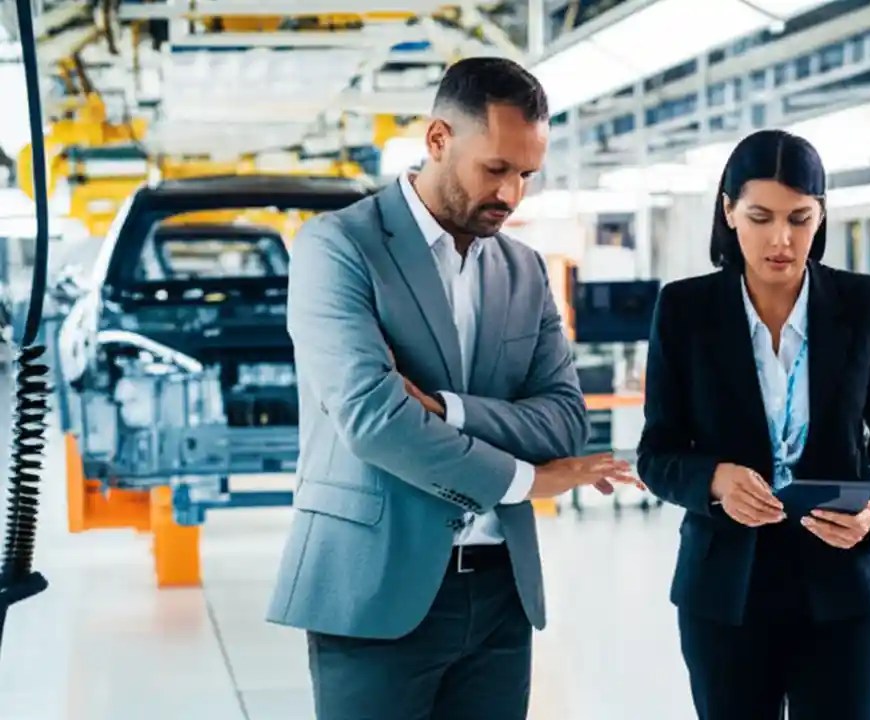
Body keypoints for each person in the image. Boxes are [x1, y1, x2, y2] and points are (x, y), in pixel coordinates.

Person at [266, 57, 636, 720]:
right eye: (496, 169)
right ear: (438, 139)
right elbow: (375, 420)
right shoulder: (338, 247)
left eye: (526, 174)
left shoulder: (523, 271)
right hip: (374, 588)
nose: (512, 194)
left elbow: (564, 421)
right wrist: (528, 480)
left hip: (500, 594)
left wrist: (446, 409)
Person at [637, 129, 870, 720]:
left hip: (842, 588)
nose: (781, 240)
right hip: (724, 593)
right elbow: (657, 453)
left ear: (821, 215)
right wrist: (715, 479)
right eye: (760, 217)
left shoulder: (862, 303)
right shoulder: (686, 311)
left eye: (800, 218)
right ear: (728, 211)